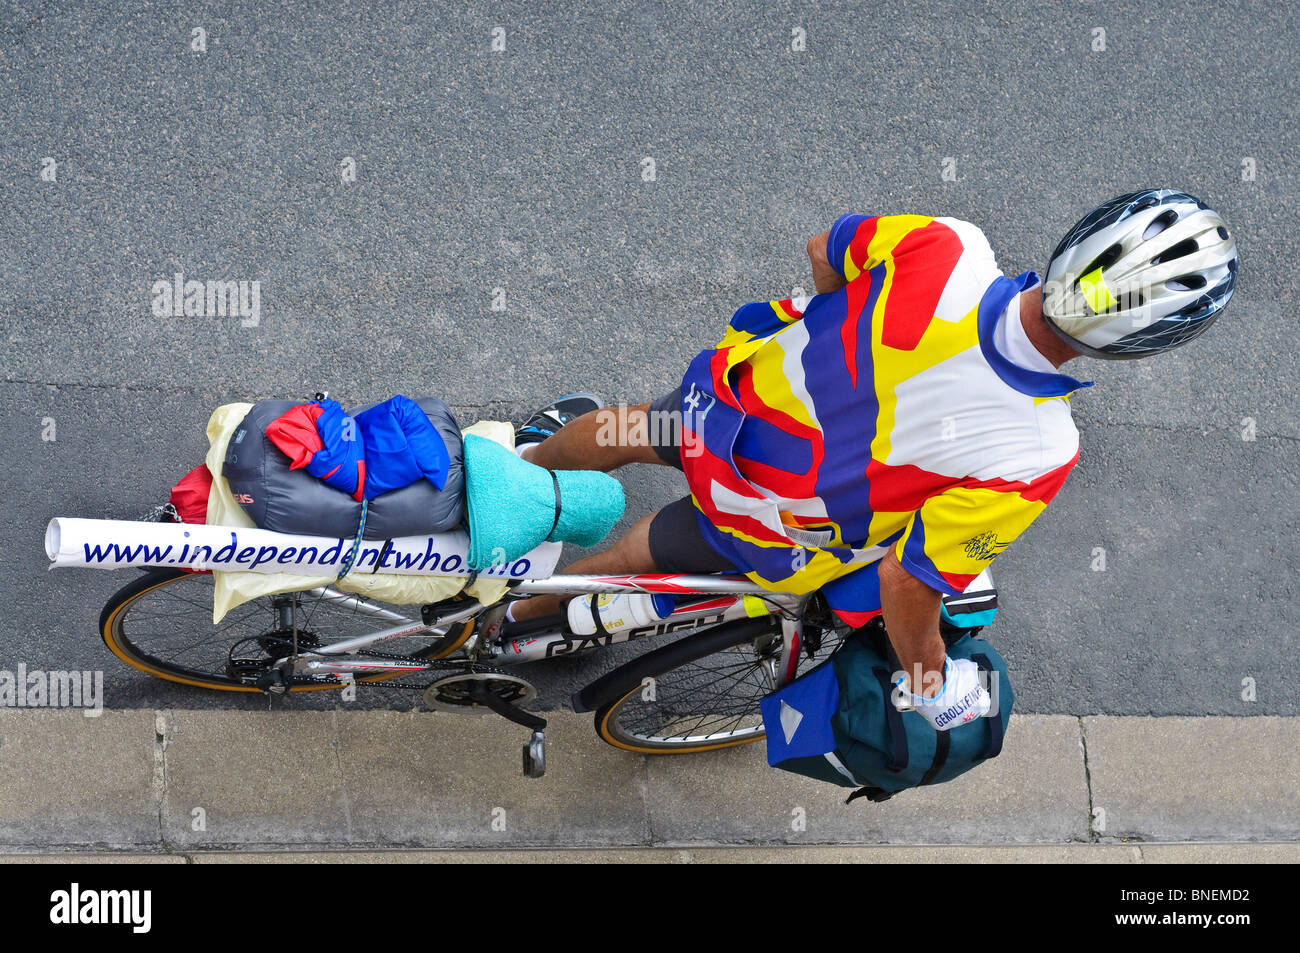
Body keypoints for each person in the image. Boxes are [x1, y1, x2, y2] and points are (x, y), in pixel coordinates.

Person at [508, 189, 1237, 729]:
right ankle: (520, 615)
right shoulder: (1040, 450)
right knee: (645, 545)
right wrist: (928, 680)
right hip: (765, 513)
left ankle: (519, 474)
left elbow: (826, 250)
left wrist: (831, 325)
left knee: (626, 429)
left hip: (732, 400)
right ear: (1142, 344)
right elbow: (909, 578)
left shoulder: (951, 246)